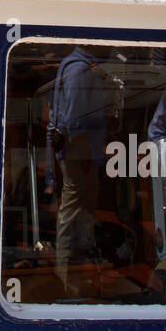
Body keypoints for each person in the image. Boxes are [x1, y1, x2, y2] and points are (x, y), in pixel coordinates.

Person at [47, 48, 108, 295]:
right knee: (72, 211)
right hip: (80, 152)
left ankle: (80, 272)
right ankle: (65, 276)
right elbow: (74, 118)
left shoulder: (76, 66)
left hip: (83, 152)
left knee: (82, 211)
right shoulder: (79, 69)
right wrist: (84, 155)